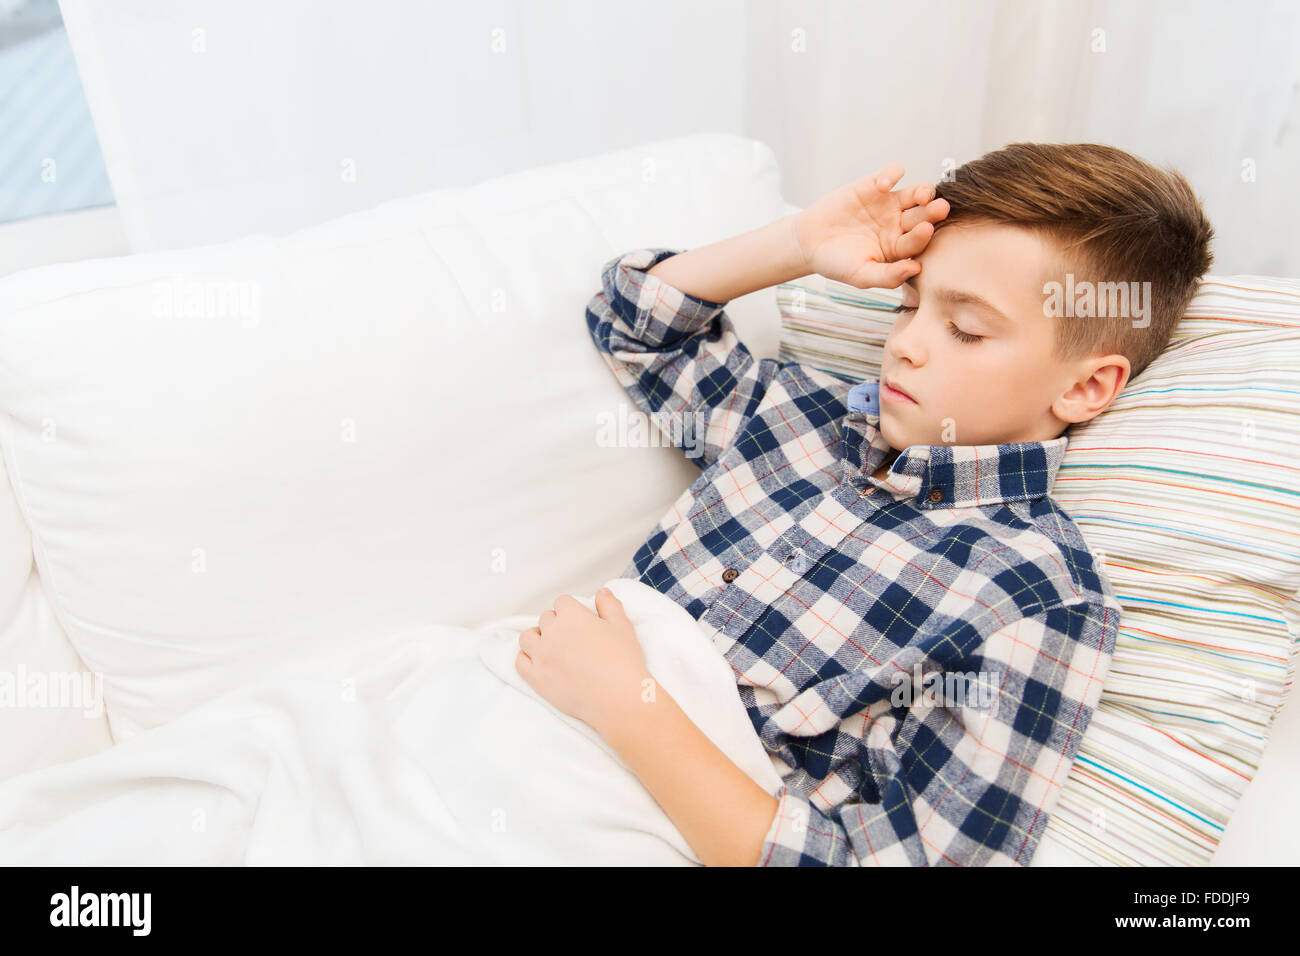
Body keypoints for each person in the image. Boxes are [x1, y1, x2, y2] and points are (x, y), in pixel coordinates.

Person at [515, 143, 1214, 866]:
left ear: (1085, 387)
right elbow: (633, 321)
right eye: (908, 305)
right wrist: (797, 245)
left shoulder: (1035, 596)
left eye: (966, 330)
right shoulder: (795, 414)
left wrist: (627, 704)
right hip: (514, 712)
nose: (905, 345)